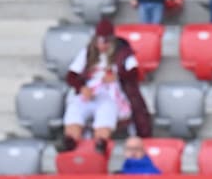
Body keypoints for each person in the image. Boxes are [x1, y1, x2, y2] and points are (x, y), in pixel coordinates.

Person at [57, 18, 153, 155]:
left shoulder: (123, 53)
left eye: (106, 42)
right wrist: (82, 88)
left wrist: (118, 76)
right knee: (75, 109)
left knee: (106, 112)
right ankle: (70, 139)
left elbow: (134, 73)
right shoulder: (88, 53)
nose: (102, 46)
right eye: (99, 42)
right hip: (90, 93)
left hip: (111, 94)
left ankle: (101, 141)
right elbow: (72, 75)